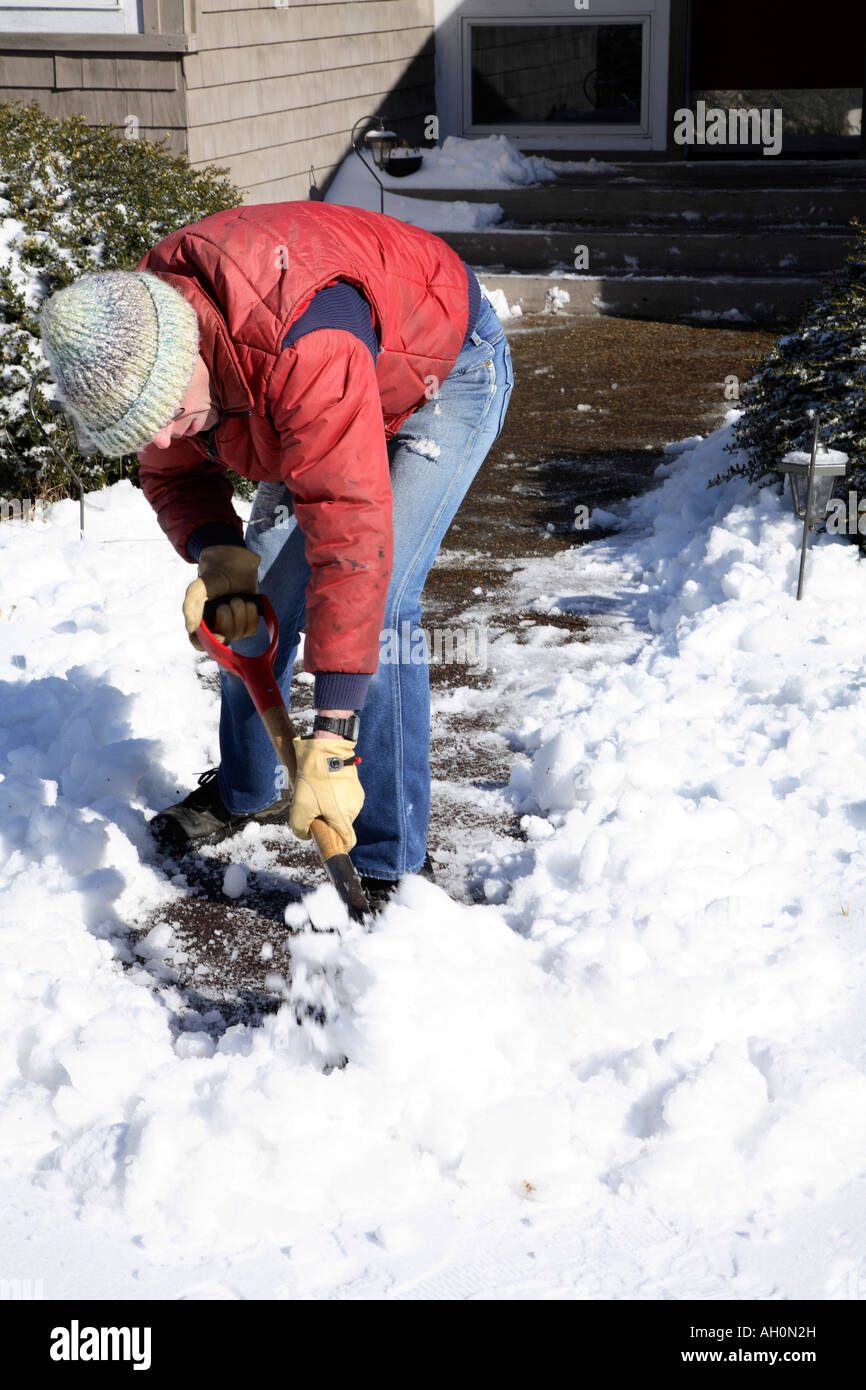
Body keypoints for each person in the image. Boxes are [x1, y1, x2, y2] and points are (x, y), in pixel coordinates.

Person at [39, 201, 513, 906]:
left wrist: (333, 733)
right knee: (251, 608)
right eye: (146, 428)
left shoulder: (301, 343)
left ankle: (389, 860)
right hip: (299, 391)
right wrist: (218, 555)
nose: (164, 436)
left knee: (380, 607)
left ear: (189, 352)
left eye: (170, 413)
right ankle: (246, 790)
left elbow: (349, 535)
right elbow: (172, 468)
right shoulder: (136, 341)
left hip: (440, 369)